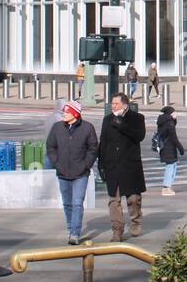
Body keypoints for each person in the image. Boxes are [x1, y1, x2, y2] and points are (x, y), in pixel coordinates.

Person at [45, 100, 98, 245]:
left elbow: (93, 149)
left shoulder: (87, 128)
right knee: (67, 203)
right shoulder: (57, 128)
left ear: (75, 114)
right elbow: (51, 147)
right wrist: (57, 163)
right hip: (63, 172)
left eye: (67, 112)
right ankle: (70, 228)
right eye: (64, 111)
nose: (64, 114)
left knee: (77, 203)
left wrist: (86, 165)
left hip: (80, 173)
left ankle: (75, 232)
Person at [98, 93, 146, 240]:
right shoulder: (107, 120)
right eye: (112, 103)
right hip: (112, 166)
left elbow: (139, 136)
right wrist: (101, 164)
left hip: (130, 166)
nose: (113, 106)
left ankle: (136, 220)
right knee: (114, 200)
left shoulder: (137, 118)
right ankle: (117, 230)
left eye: (116, 103)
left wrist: (122, 125)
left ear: (125, 105)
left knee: (133, 198)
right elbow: (103, 142)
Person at [156, 105, 185, 196]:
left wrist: (174, 119)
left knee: (172, 165)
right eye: (173, 113)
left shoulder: (164, 121)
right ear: (170, 114)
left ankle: (168, 187)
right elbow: (174, 137)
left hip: (164, 147)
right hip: (169, 148)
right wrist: (181, 148)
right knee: (170, 166)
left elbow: (171, 127)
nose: (175, 114)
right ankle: (166, 188)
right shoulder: (169, 123)